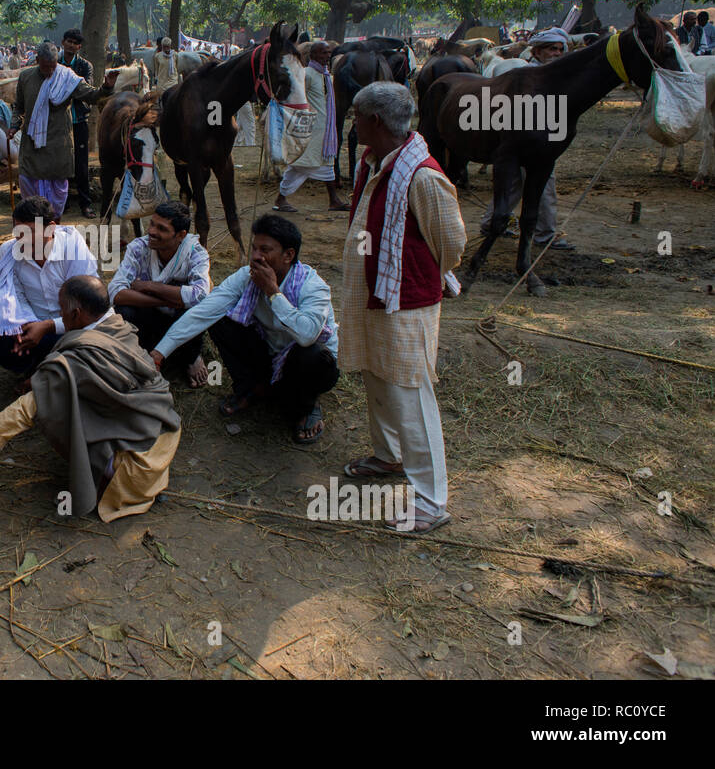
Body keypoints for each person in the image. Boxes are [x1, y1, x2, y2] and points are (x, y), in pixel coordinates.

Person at [0, 275, 181, 522]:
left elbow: (27, 408)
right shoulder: (118, 326)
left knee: (57, 406)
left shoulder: (75, 360)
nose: (60, 314)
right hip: (164, 442)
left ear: (76, 314)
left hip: (134, 470)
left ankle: (112, 482)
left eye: (62, 310)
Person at [340, 82, 467, 533]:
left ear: (375, 121)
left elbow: (452, 245)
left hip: (405, 301)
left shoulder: (423, 176)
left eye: (356, 115)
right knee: (378, 377)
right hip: (372, 292)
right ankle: (389, 455)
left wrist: (418, 273)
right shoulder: (372, 162)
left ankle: (431, 500)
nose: (351, 122)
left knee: (410, 393)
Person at [155, 214, 339, 443]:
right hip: (270, 355)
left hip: (308, 364)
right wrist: (160, 352)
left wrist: (273, 292)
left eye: (265, 250)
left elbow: (306, 335)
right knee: (220, 319)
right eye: (254, 249)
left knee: (310, 354)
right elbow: (203, 312)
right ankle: (253, 387)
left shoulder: (313, 287)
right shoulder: (246, 277)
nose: (255, 257)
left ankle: (306, 407)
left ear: (288, 255)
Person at [0, 195, 98, 379]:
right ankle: (33, 368)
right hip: (32, 325)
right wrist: (28, 323)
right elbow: (16, 295)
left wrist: (47, 326)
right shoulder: (10, 251)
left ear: (51, 228)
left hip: (72, 327)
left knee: (80, 345)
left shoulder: (73, 246)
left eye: (30, 232)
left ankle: (47, 372)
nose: (22, 240)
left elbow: (85, 308)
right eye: (18, 232)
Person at [481, 29, 573, 250]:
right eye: (552, 49)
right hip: (527, 139)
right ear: (538, 51)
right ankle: (545, 235)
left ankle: (490, 223)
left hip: (540, 137)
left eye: (560, 49)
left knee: (513, 185)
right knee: (544, 186)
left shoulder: (554, 73)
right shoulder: (524, 73)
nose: (557, 53)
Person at [108, 200, 213, 387]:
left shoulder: (196, 253)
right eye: (152, 224)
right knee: (123, 309)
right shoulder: (139, 247)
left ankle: (192, 356)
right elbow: (115, 291)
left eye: (162, 229)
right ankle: (145, 352)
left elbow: (201, 295)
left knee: (196, 309)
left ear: (181, 235)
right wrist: (164, 300)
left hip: (180, 321)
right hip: (152, 316)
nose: (152, 232)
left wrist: (150, 286)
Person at [12, 41, 115, 219]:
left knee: (58, 192)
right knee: (28, 184)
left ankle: (53, 226)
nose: (50, 72)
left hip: (57, 145)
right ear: (37, 60)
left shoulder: (66, 77)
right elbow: (19, 107)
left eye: (53, 67)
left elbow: (91, 96)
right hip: (31, 146)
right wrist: (14, 126)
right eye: (45, 67)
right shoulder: (26, 77)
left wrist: (106, 88)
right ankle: (33, 226)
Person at [272, 41, 349, 213]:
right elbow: (293, 95)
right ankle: (280, 199)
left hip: (325, 129)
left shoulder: (326, 75)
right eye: (322, 53)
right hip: (310, 128)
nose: (327, 56)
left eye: (328, 53)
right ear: (313, 55)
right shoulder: (307, 74)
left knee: (327, 163)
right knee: (300, 163)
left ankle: (333, 200)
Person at [59, 28, 97, 217]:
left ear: (79, 47)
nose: (71, 45)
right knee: (61, 162)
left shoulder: (85, 66)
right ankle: (62, 202)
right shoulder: (54, 63)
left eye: (75, 43)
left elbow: (87, 90)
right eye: (69, 41)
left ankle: (85, 204)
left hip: (79, 118)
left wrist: (66, 90)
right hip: (59, 122)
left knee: (82, 164)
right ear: (63, 42)